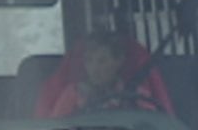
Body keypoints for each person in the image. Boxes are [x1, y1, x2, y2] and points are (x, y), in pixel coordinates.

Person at [36, 31, 172, 118]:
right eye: (89, 60)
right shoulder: (74, 94)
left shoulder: (137, 95)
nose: (94, 68)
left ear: (118, 61)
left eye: (102, 61)